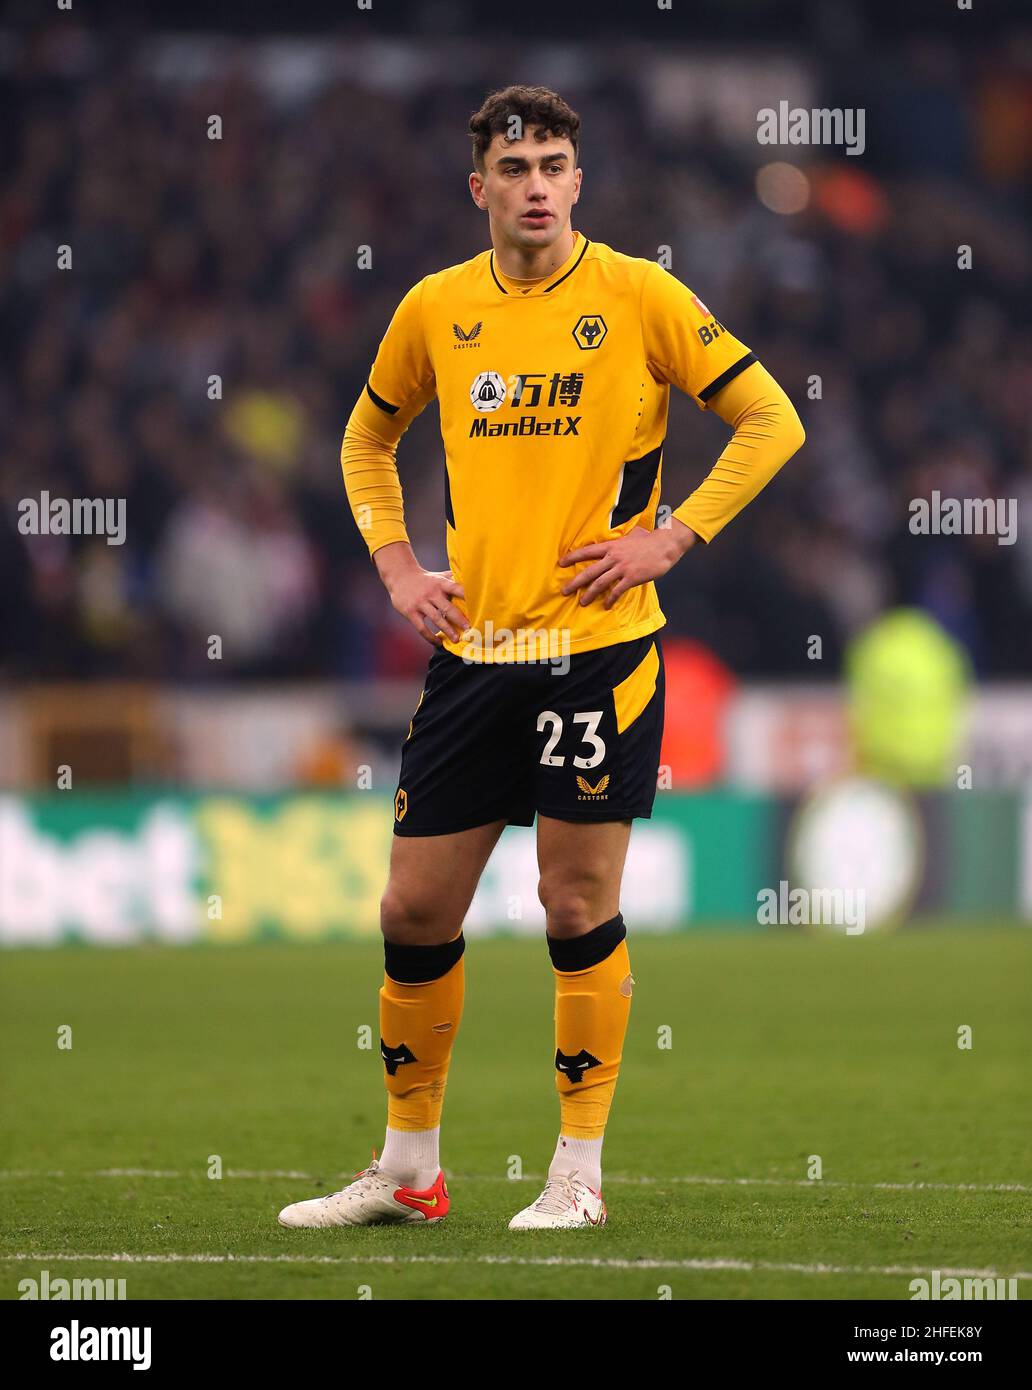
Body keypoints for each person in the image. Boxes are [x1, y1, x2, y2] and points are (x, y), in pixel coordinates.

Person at [278, 84, 804, 1232]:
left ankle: (578, 1172)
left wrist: (674, 535)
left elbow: (771, 416)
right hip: (475, 651)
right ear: (480, 188)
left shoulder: (637, 294)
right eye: (513, 168)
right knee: (413, 909)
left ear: (578, 181)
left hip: (597, 655)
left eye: (553, 164)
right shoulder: (436, 308)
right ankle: (409, 1169)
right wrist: (399, 570)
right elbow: (367, 439)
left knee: (573, 905)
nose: (534, 185)